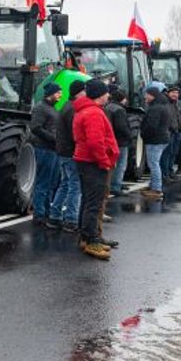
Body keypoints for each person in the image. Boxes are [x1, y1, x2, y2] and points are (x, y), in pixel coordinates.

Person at [73, 79, 118, 260]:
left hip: (86, 161)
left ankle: (87, 237)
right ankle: (91, 241)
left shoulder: (86, 110)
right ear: (100, 94)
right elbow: (95, 142)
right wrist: (105, 161)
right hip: (93, 163)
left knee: (87, 200)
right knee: (93, 203)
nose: (108, 95)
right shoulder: (93, 113)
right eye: (106, 92)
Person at [48, 79, 87, 230]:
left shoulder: (66, 106)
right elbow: (74, 133)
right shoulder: (73, 109)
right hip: (71, 152)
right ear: (79, 92)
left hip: (63, 151)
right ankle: (71, 219)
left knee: (65, 184)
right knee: (74, 186)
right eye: (84, 91)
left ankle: (55, 215)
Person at [29, 82, 62, 226]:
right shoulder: (40, 108)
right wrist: (53, 139)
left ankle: (47, 211)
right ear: (51, 93)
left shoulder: (52, 109)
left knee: (51, 183)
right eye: (58, 92)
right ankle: (39, 214)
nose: (60, 94)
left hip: (53, 150)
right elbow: (36, 128)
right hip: (44, 149)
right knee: (43, 183)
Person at [140, 81, 173, 200]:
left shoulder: (155, 108)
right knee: (154, 163)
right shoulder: (163, 105)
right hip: (162, 138)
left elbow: (151, 126)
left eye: (147, 95)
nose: (145, 97)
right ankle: (152, 186)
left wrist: (144, 134)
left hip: (155, 140)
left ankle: (156, 190)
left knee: (153, 164)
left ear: (152, 95)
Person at [104, 88, 132, 196]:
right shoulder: (120, 110)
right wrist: (129, 136)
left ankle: (112, 184)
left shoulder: (107, 107)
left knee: (111, 165)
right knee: (121, 164)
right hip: (121, 141)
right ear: (122, 99)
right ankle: (116, 186)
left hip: (111, 140)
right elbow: (121, 127)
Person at [164, 85, 181, 176]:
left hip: (178, 132)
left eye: (177, 93)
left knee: (174, 153)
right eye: (173, 93)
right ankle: (165, 172)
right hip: (169, 132)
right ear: (168, 93)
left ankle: (170, 170)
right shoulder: (165, 103)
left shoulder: (178, 103)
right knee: (167, 153)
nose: (175, 95)